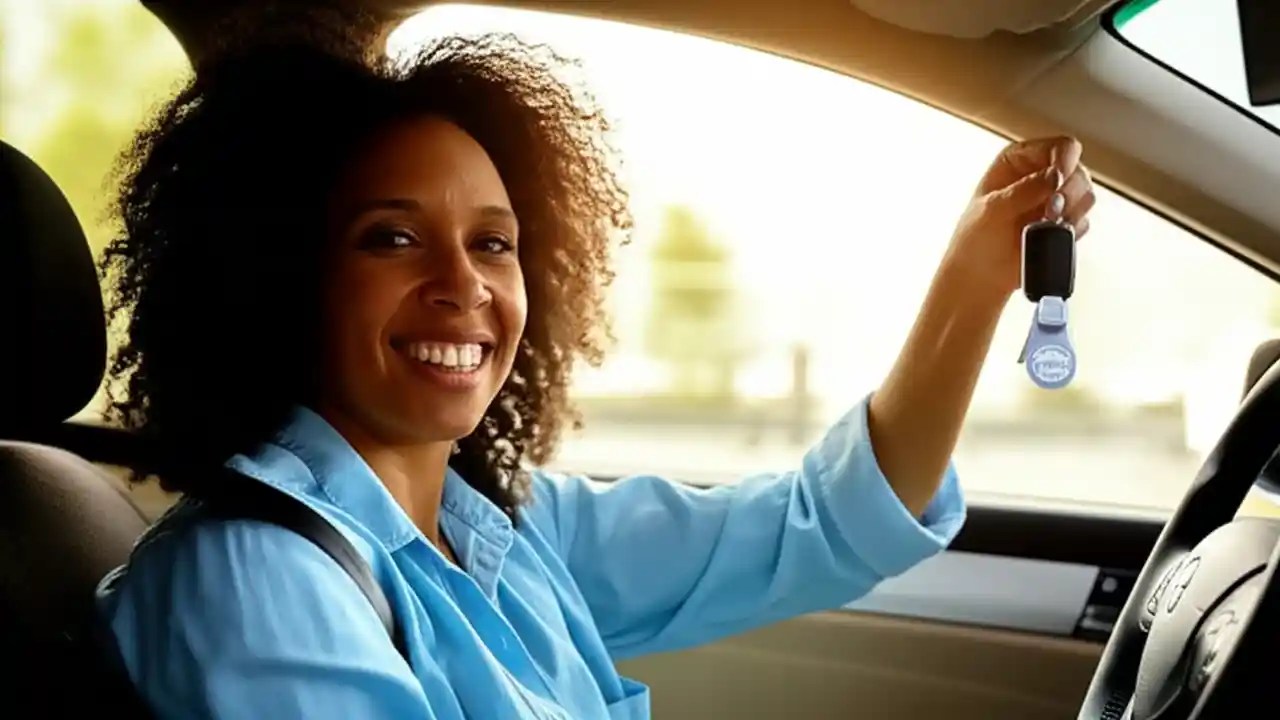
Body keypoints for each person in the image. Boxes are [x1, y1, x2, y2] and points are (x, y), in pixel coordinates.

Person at [93, 31, 1096, 720]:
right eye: (391, 237)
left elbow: (816, 529)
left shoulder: (508, 529)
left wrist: (972, 285)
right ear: (280, 272)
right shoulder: (247, 577)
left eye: (493, 244)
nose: (462, 286)